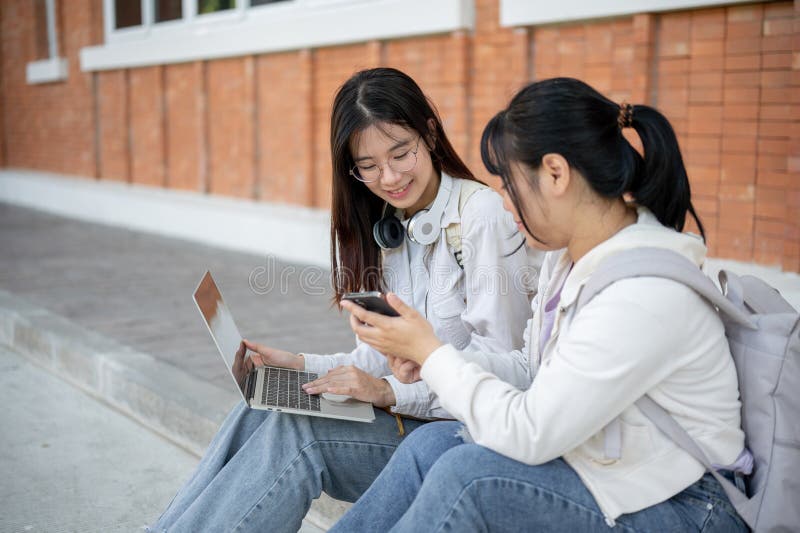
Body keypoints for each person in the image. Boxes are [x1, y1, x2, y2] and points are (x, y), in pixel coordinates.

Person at [333, 77, 749, 532]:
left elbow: (528, 433)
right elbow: (529, 371)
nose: (504, 204)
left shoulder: (643, 291)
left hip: (688, 505)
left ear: (555, 173)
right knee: (431, 446)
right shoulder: (566, 262)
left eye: (509, 186)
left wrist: (432, 355)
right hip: (616, 473)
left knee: (470, 479)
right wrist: (431, 359)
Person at [150, 67, 537, 532]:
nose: (389, 177)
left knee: (297, 430)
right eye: (368, 166)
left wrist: (391, 392)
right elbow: (376, 358)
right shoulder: (392, 225)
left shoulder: (481, 218)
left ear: (429, 135)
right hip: (409, 414)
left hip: (455, 436)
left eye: (401, 153)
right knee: (261, 404)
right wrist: (299, 365)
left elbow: (506, 372)